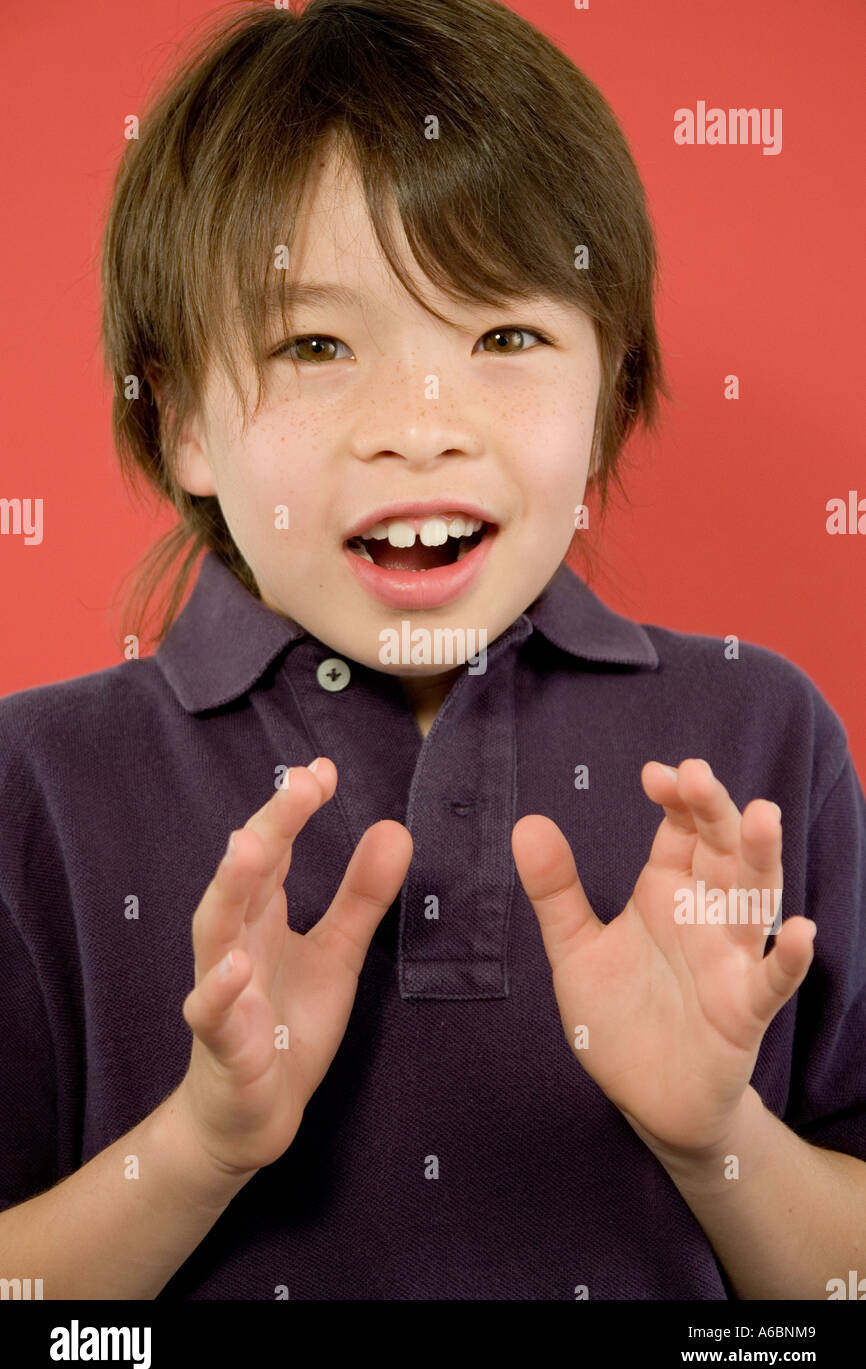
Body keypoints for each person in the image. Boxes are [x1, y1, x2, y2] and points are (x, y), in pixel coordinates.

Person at [0, 0, 864, 1301]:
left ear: (609, 389)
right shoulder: (42, 777)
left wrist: (716, 1135)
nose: (420, 428)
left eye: (504, 337)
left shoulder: (757, 736)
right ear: (178, 421)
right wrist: (199, 1145)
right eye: (315, 344)